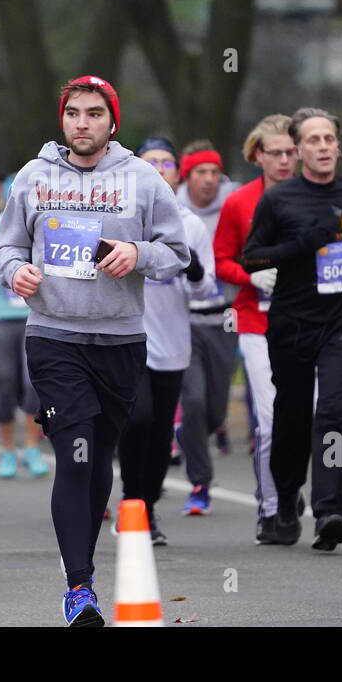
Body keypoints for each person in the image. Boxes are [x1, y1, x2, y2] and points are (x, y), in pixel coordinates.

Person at [0, 75, 189, 627]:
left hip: (120, 339)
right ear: (63, 119)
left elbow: (178, 253)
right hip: (53, 334)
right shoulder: (33, 177)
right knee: (74, 449)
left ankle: (83, 569)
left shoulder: (142, 179)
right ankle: (79, 587)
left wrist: (136, 251)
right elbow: (6, 244)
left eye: (94, 114)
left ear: (112, 121)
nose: (83, 123)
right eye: (74, 113)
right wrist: (16, 269)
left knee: (99, 457)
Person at [241, 108, 342, 552]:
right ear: (299, 149)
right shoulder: (279, 199)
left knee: (337, 409)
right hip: (291, 323)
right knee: (292, 417)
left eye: (329, 139)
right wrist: (302, 245)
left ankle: (331, 511)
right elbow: (253, 258)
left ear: (338, 147)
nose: (323, 147)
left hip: (341, 321)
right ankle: (286, 500)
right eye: (313, 140)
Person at [117, 138, 216, 544]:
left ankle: (148, 507)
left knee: (160, 435)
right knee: (136, 420)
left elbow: (207, 290)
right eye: (150, 162)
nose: (159, 169)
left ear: (178, 173)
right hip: (127, 338)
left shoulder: (190, 225)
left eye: (167, 162)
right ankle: (130, 503)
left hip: (172, 345)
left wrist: (192, 270)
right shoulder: (121, 218)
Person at [214, 115, 298, 543]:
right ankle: (271, 508)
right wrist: (253, 275)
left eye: (290, 152)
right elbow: (222, 261)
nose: (284, 160)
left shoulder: (315, 197)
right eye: (275, 153)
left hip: (307, 322)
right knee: (268, 418)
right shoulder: (238, 203)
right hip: (255, 320)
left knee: (313, 417)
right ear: (257, 156)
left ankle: (291, 487)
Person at [0, 177, 51, 480]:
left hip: (36, 316)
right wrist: (11, 266)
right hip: (2, 317)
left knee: (33, 382)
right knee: (3, 383)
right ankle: (7, 450)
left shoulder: (45, 226)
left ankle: (31, 446)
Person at [176, 140, 239, 514]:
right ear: (188, 175)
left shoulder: (231, 206)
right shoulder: (173, 210)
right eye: (201, 172)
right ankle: (200, 482)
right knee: (195, 401)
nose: (209, 180)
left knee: (215, 411)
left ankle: (189, 435)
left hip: (225, 317)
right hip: (184, 317)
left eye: (215, 172)